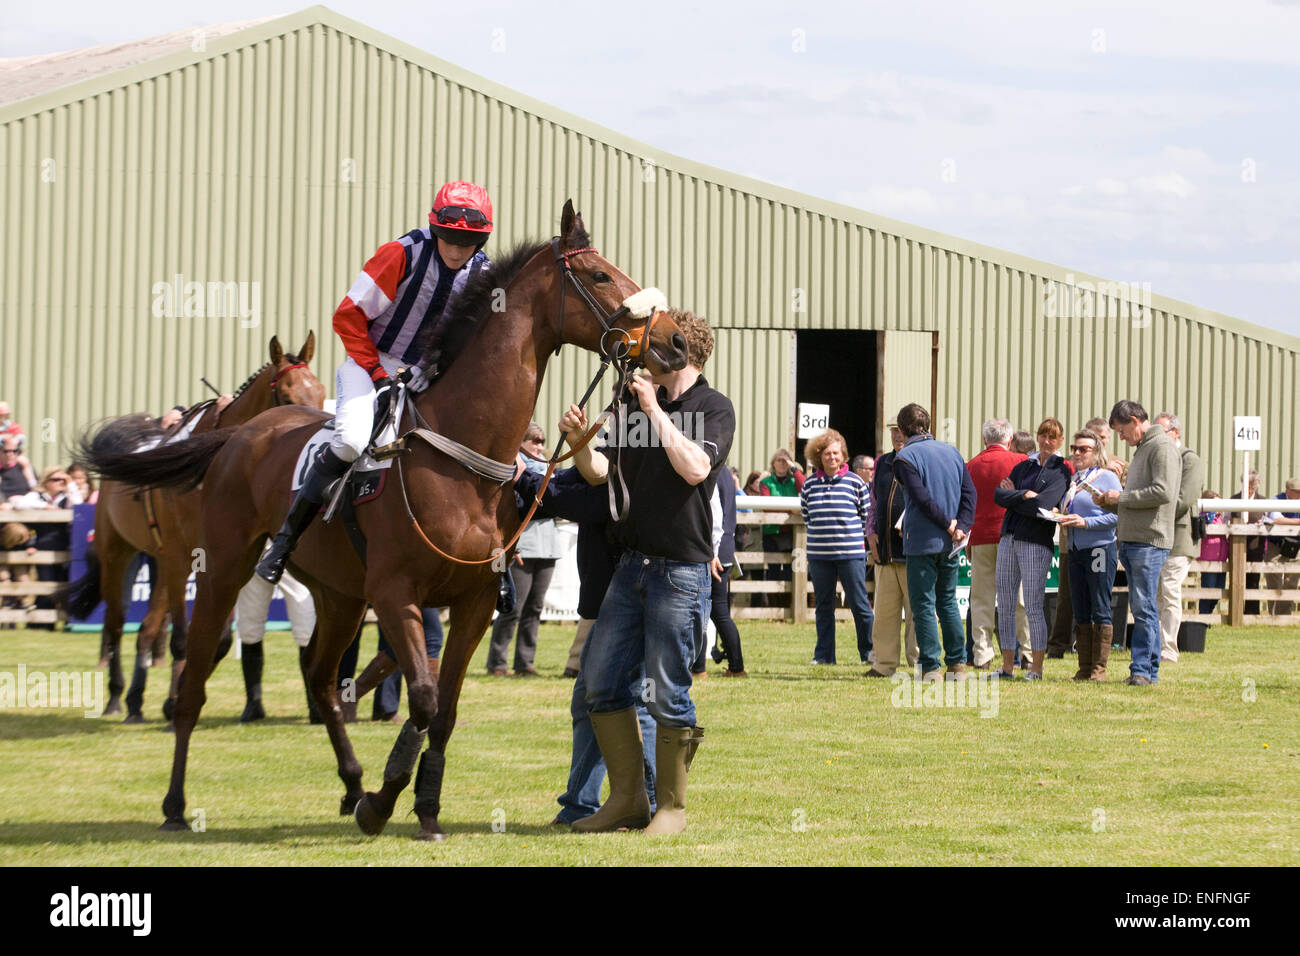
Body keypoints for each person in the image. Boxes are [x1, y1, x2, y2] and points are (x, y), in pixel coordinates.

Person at [256, 181, 494, 583]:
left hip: (425, 371)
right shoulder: (400, 254)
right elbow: (348, 317)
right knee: (350, 441)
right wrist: (380, 374)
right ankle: (284, 542)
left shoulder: (483, 272)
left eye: (466, 242)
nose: (456, 250)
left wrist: (435, 370)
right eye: (449, 238)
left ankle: (495, 561)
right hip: (370, 361)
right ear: (435, 228)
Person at [559, 309, 734, 835]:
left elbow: (696, 468)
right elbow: (597, 474)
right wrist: (580, 441)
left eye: (651, 348)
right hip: (629, 566)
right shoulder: (631, 402)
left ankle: (672, 811)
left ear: (681, 352)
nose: (641, 357)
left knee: (669, 690)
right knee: (601, 683)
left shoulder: (712, 407)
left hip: (680, 572)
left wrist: (655, 411)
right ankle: (628, 802)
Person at [1093, 400, 1180, 686]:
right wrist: (1107, 502)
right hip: (1133, 539)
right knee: (1142, 606)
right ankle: (1146, 669)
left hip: (1148, 540)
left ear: (1133, 420)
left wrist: (1122, 498)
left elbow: (1163, 492)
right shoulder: (1145, 449)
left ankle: (1142, 670)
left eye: (1121, 431)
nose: (1121, 438)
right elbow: (1135, 501)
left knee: (1143, 607)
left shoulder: (1161, 447)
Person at [892, 403, 976, 682]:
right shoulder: (953, 452)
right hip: (952, 542)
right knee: (948, 601)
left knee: (923, 604)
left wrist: (948, 524)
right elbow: (969, 494)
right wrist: (961, 525)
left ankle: (931, 666)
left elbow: (920, 498)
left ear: (902, 429)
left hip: (922, 542)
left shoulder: (904, 458)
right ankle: (957, 664)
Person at [992, 418, 1071, 679]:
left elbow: (1045, 507)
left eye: (1053, 437)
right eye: (1043, 435)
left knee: (1034, 605)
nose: (1047, 441)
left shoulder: (1062, 470)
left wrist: (1017, 496)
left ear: (1060, 441)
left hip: (1036, 541)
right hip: (1009, 537)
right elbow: (998, 495)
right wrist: (1023, 496)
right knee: (1004, 603)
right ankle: (1006, 666)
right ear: (1037, 437)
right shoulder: (1024, 464)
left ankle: (1036, 667)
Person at [486, 422, 561, 676]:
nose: (539, 445)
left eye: (542, 440)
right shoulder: (514, 468)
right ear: (522, 442)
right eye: (534, 440)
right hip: (524, 545)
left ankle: (525, 662)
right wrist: (510, 544)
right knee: (513, 607)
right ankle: (497, 662)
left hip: (548, 545)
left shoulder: (551, 466)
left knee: (535, 607)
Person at [801, 428, 874, 666]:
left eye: (836, 453)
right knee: (823, 607)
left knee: (859, 603)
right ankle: (823, 655)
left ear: (843, 455)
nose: (831, 457)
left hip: (851, 555)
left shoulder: (856, 483)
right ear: (818, 457)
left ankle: (869, 652)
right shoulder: (809, 485)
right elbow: (807, 516)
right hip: (820, 556)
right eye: (826, 454)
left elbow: (866, 517)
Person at [965, 418, 1030, 670]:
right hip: (1013, 536)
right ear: (1010, 439)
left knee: (981, 598)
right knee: (1020, 599)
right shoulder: (1022, 463)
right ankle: (1027, 653)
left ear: (984, 439)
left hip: (981, 537)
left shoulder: (971, 465)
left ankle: (982, 654)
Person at [1058, 431, 1121, 680]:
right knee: (1080, 607)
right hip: (1075, 549)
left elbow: (1117, 515)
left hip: (1099, 547)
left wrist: (1086, 522)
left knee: (1099, 605)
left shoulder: (1108, 478)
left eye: (1083, 449)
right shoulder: (1074, 479)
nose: (1077, 453)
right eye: (1074, 448)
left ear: (1096, 453)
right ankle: (1084, 667)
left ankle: (1099, 668)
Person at [864, 422, 919, 677]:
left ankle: (919, 663)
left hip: (913, 550)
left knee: (917, 613)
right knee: (884, 613)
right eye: (893, 431)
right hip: (884, 550)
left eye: (901, 430)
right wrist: (871, 532)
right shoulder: (883, 463)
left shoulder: (920, 459)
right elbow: (874, 502)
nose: (897, 435)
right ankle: (884, 665)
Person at [1152, 413, 1203, 662]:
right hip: (1157, 535)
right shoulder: (1159, 457)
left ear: (1176, 432)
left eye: (1162, 431)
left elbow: (1183, 500)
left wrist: (1150, 510)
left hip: (1180, 536)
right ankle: (1158, 643)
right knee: (1158, 594)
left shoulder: (1189, 460)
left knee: (1170, 590)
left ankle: (1169, 648)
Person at [706, 464, 747, 676]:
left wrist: (713, 551)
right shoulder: (727, 474)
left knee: (716, 611)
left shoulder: (711, 470)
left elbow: (714, 514)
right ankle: (734, 665)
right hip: (725, 548)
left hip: (714, 551)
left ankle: (736, 666)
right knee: (716, 610)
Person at [757, 449, 805, 608]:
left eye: (785, 461)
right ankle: (773, 608)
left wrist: (794, 469)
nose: (782, 464)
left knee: (791, 571)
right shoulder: (766, 483)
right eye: (779, 460)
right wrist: (791, 511)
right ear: (773, 463)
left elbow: (805, 488)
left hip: (792, 533)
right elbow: (767, 507)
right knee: (773, 570)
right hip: (772, 532)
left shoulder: (793, 481)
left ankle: (788, 607)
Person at [1262, 478, 1300, 615]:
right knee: (1273, 581)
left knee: (1292, 581)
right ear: (1288, 491)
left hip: (1295, 546)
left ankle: (1284, 615)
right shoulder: (1277, 500)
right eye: (1297, 492)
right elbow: (1277, 520)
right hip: (1275, 545)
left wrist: (1290, 522)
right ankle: (1273, 615)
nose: (1299, 494)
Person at [1197, 492, 1228, 615]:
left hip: (1221, 559)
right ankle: (1204, 615)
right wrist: (1211, 513)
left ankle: (1208, 614)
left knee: (1218, 590)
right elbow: (1205, 524)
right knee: (1208, 589)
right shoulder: (1203, 516)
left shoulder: (1220, 517)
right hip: (1209, 559)